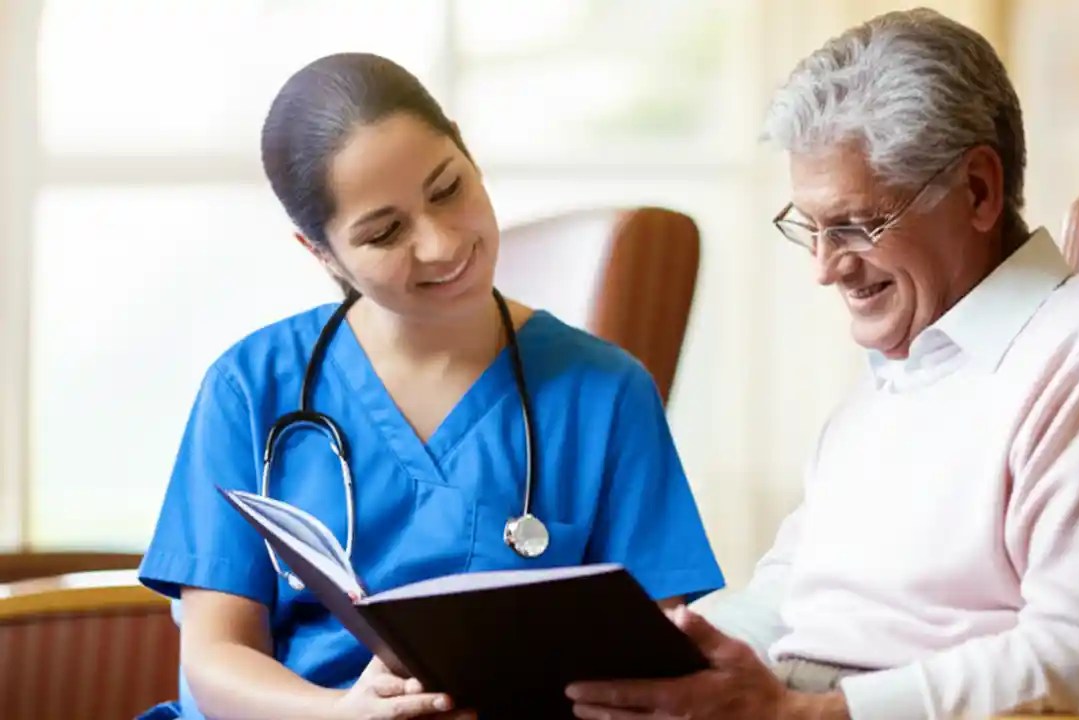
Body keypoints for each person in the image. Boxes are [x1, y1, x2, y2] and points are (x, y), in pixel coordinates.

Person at [566, 8, 1079, 720]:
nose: (825, 268)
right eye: (809, 228)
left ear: (977, 190)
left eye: (854, 225)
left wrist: (809, 714)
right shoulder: (896, 373)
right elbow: (789, 596)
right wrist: (652, 660)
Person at [136, 52, 724, 720]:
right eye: (385, 232)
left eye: (448, 189)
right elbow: (215, 659)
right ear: (320, 253)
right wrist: (343, 714)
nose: (442, 245)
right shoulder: (250, 387)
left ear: (466, 148)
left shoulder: (607, 393)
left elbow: (648, 653)